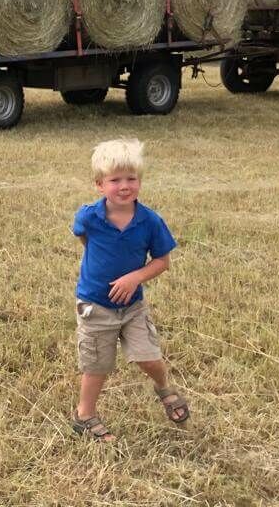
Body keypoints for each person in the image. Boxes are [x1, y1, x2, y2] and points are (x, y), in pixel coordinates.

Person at [70, 138, 189, 441]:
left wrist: (134, 277)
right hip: (95, 303)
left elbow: (162, 262)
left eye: (131, 179)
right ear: (99, 184)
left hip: (133, 306)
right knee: (97, 364)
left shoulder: (150, 222)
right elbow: (86, 241)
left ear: (140, 181)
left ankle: (164, 387)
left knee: (148, 357)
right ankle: (85, 415)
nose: (124, 186)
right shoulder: (88, 217)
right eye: (115, 180)